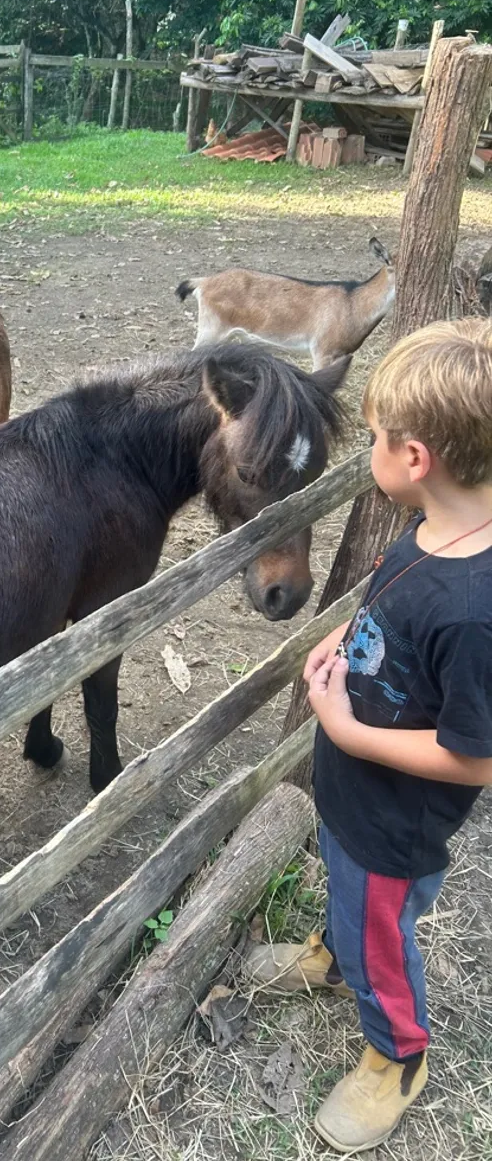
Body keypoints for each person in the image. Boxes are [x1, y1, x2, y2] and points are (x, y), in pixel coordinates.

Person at [247, 318, 492, 1153]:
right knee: (350, 899)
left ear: (415, 457)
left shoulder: (475, 614)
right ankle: (335, 951)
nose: (375, 452)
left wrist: (348, 734)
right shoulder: (436, 524)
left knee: (379, 924)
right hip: (358, 798)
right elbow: (390, 602)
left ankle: (397, 1054)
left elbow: (475, 755)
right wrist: (345, 636)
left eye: (380, 439)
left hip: (397, 821)